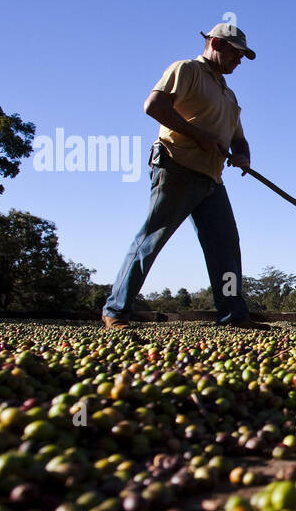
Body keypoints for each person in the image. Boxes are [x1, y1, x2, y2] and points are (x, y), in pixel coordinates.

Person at [102, 23, 267, 329]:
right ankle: (115, 310)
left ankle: (233, 315)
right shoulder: (187, 70)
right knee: (153, 236)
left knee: (226, 246)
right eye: (236, 53)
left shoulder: (228, 95)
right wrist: (199, 135)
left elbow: (237, 138)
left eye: (243, 55)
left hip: (211, 179)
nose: (240, 61)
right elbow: (154, 106)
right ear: (215, 44)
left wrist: (243, 155)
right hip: (177, 165)